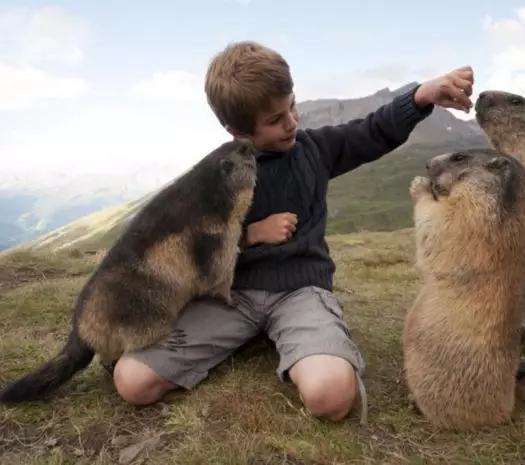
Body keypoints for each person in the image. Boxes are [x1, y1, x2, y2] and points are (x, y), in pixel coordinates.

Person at [111, 40, 474, 423]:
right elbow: (188, 250)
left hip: (301, 293)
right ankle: (250, 335)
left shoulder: (314, 148)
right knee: (132, 381)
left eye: (293, 106)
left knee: (330, 397)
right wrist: (251, 235)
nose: (292, 123)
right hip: (231, 297)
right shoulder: (215, 177)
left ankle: (292, 338)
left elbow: (372, 131)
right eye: (274, 120)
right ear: (236, 130)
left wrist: (421, 96)